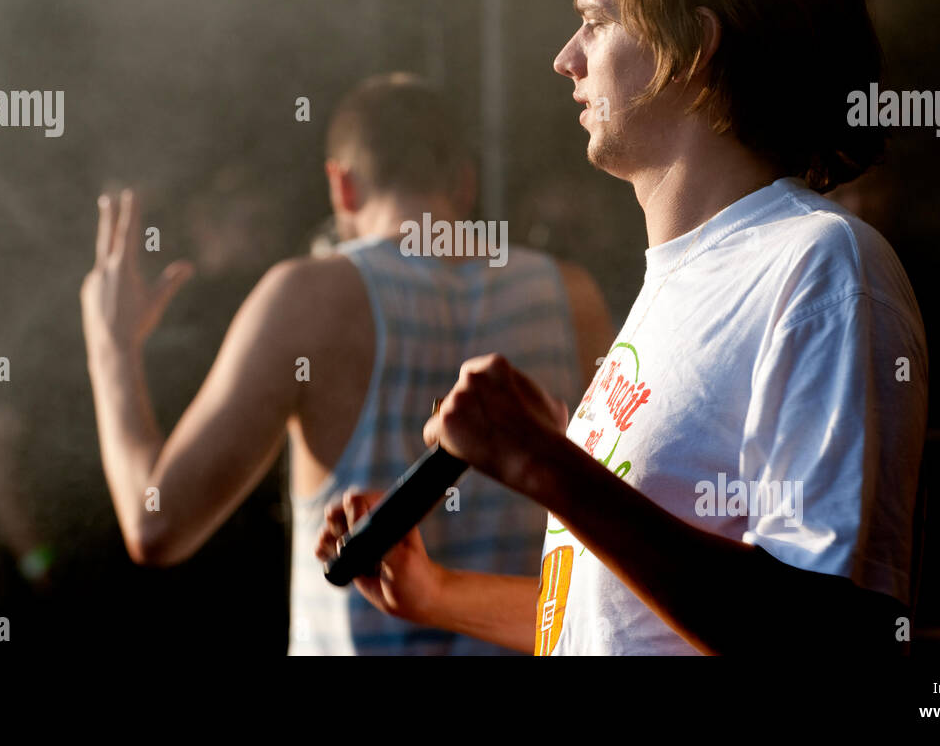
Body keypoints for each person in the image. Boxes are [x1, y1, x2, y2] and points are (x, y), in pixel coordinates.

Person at [317, 0, 929, 655]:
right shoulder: (679, 281)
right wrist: (437, 593)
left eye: (596, 22)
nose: (565, 58)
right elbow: (618, 624)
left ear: (694, 50)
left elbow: (829, 636)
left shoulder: (819, 262)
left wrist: (543, 462)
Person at [80, 72, 613, 655]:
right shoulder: (572, 296)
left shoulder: (305, 297)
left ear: (343, 187)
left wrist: (113, 349)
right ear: (464, 185)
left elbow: (156, 526)